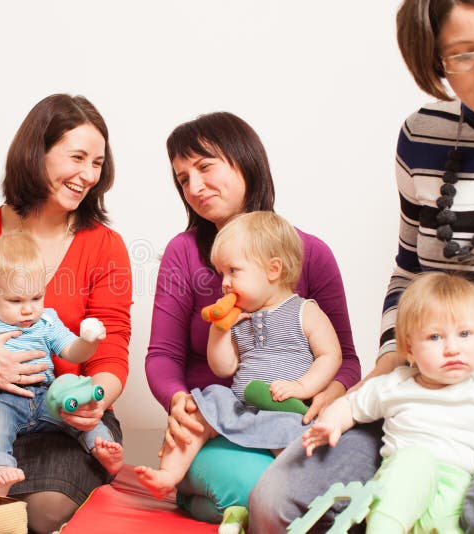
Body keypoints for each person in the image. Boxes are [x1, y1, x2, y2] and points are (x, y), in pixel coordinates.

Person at [249, 2, 474, 532]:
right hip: (425, 377)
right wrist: (392, 355)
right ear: (435, 61)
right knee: (276, 502)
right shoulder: (423, 135)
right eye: (464, 54)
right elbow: (407, 268)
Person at [0, 93, 132, 534]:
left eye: (97, 163)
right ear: (37, 152)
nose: (88, 175)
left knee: (44, 509)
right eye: (77, 157)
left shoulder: (105, 246)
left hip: (64, 411)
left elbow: (109, 355)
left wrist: (94, 402)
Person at [145, 111, 361, 523]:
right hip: (211, 424)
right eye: (182, 178)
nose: (194, 186)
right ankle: (204, 487)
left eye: (205, 167)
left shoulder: (309, 252)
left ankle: (200, 502)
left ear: (245, 160)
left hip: (287, 422)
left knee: (307, 492)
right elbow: (161, 356)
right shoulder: (183, 252)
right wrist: (182, 403)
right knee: (260, 490)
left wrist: (325, 395)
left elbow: (345, 359)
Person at [137, 211, 342, 529]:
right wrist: (219, 331)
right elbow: (224, 367)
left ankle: (300, 496)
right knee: (201, 407)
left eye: (233, 271)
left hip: (284, 407)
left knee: (302, 443)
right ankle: (169, 475)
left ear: (273, 269)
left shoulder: (305, 311)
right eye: (221, 273)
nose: (225, 283)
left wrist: (302, 387)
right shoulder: (238, 318)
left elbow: (331, 356)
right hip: (241, 406)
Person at [0, 233, 123, 497]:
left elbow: (72, 352)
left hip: (44, 395)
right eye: (15, 301)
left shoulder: (46, 321)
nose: (28, 310)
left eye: (36, 298)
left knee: (82, 416)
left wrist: (88, 341)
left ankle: (102, 448)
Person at [303, 272, 474, 533]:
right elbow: (351, 404)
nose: (452, 348)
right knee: (415, 463)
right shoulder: (394, 385)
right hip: (402, 485)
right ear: (409, 349)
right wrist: (330, 423)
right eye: (435, 337)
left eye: (465, 333)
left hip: (457, 492)